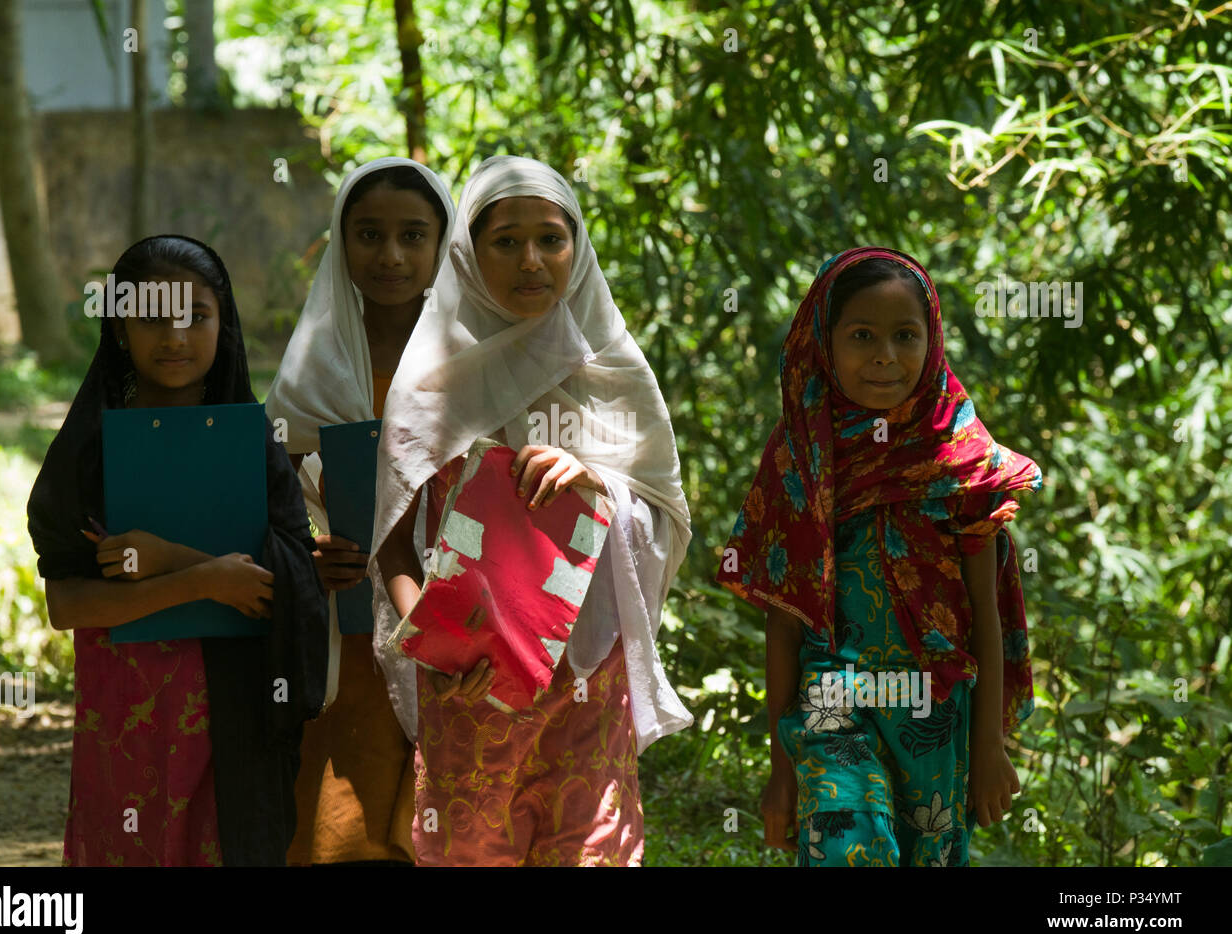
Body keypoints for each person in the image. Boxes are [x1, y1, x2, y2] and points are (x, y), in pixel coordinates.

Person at [369, 155, 693, 866]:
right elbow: (391, 542)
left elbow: (664, 513)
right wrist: (437, 642)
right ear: (467, 253)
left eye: (551, 238)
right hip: (473, 679)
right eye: (505, 241)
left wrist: (598, 480)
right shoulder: (431, 383)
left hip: (586, 677)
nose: (532, 261)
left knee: (592, 848)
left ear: (577, 248)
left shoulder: (613, 368)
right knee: (469, 850)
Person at [717, 246, 1042, 867]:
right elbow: (783, 622)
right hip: (830, 699)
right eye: (862, 335)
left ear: (933, 340)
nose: (885, 356)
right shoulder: (800, 459)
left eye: (904, 336)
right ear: (824, 340)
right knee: (847, 851)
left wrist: (990, 745)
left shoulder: (960, 459)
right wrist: (781, 771)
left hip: (935, 710)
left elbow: (984, 614)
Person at [27, 235, 328, 866]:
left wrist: (168, 559)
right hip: (127, 707)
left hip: (239, 703)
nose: (175, 336)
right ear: (118, 328)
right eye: (152, 317)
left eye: (196, 315)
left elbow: (287, 582)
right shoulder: (86, 454)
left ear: (225, 324)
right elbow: (67, 604)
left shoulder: (253, 445)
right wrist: (200, 580)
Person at [265, 158, 454, 865]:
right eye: (368, 234)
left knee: (444, 812)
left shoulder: (479, 362)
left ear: (444, 244)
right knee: (346, 820)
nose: (391, 255)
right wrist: (307, 552)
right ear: (341, 244)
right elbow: (269, 498)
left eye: (414, 234)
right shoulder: (313, 364)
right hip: (345, 638)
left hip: (452, 623)